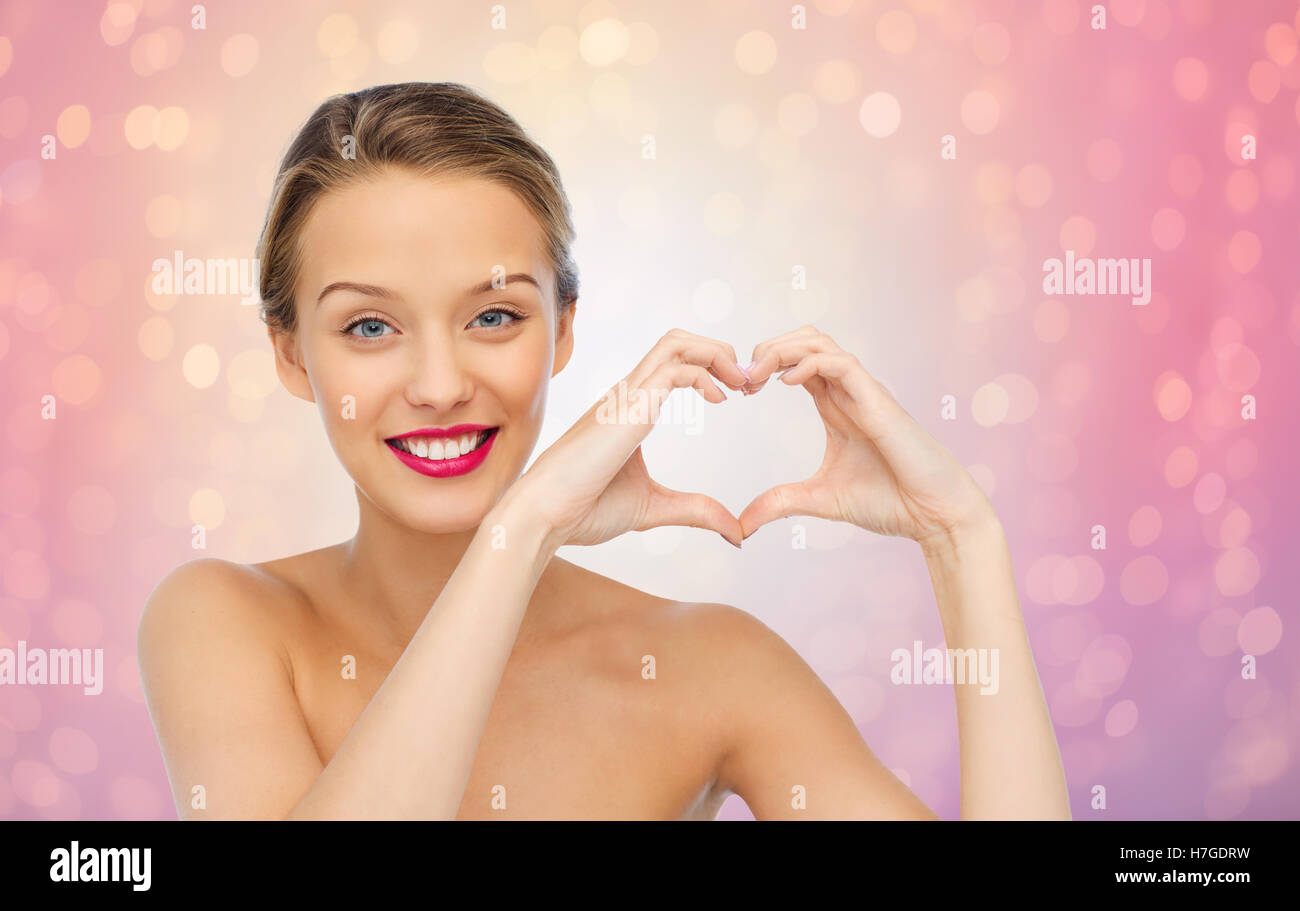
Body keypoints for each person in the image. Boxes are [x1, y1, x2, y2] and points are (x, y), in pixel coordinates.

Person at [138, 82, 1070, 820]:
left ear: (563, 331)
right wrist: (522, 530)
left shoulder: (710, 664)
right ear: (292, 352)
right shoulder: (226, 623)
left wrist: (963, 540)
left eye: (494, 316)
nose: (437, 383)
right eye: (370, 324)